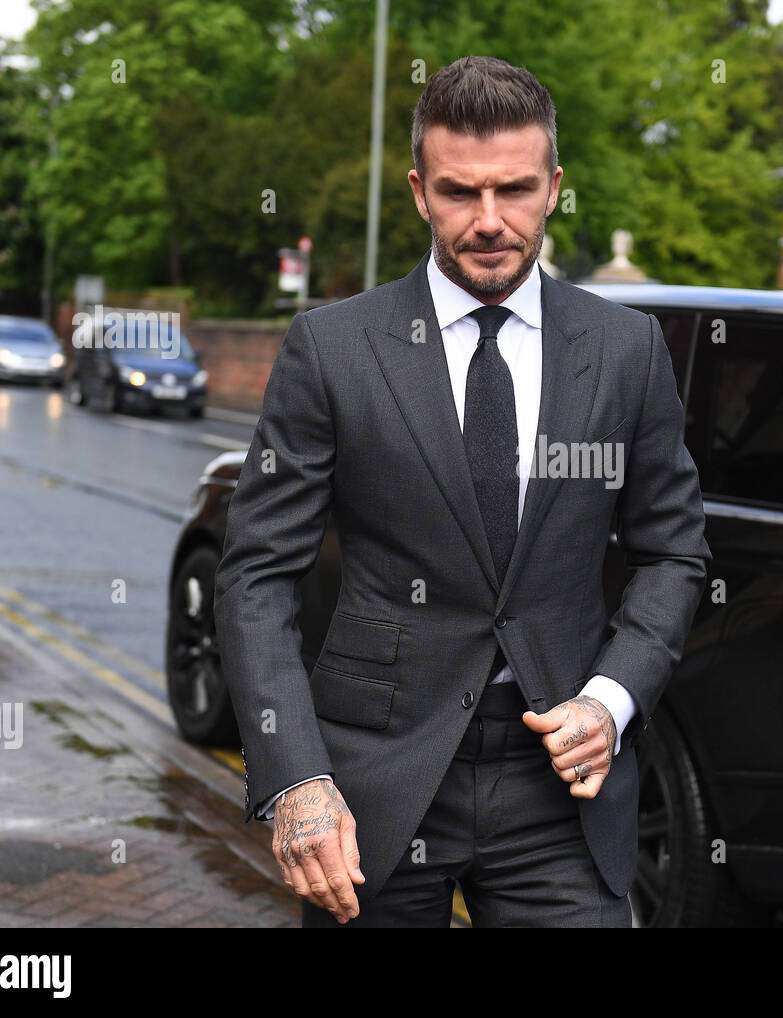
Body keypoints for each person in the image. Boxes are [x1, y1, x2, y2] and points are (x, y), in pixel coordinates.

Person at [213, 55, 709, 928]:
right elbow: (255, 576)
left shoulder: (627, 350)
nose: (489, 222)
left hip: (559, 795)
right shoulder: (332, 349)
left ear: (555, 187)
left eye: (514, 190)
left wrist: (612, 698)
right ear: (417, 191)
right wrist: (295, 776)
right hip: (370, 784)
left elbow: (673, 552)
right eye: (458, 193)